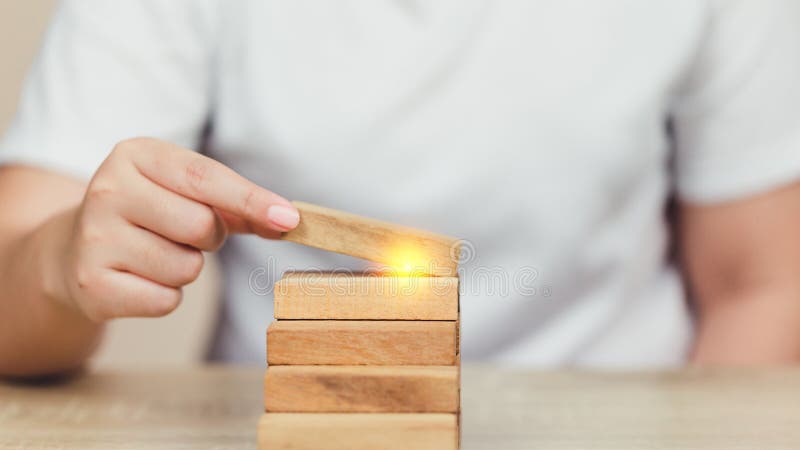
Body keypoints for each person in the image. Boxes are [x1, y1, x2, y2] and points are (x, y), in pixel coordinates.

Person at [1, 0, 800, 377]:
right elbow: (16, 274)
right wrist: (57, 262)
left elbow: (763, 287)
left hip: (621, 441)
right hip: (284, 444)